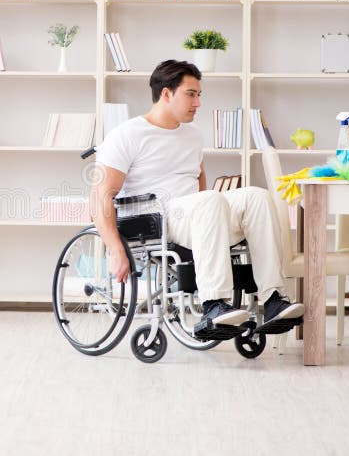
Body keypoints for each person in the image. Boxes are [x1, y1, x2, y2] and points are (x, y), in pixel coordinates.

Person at [90, 59, 304, 338]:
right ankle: (213, 304)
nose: (198, 102)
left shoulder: (192, 135)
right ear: (166, 94)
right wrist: (116, 250)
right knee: (208, 200)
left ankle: (274, 299)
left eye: (199, 95)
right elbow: (99, 197)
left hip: (199, 217)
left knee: (256, 196)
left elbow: (199, 181)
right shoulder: (127, 135)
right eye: (191, 94)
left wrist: (208, 205)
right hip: (157, 219)